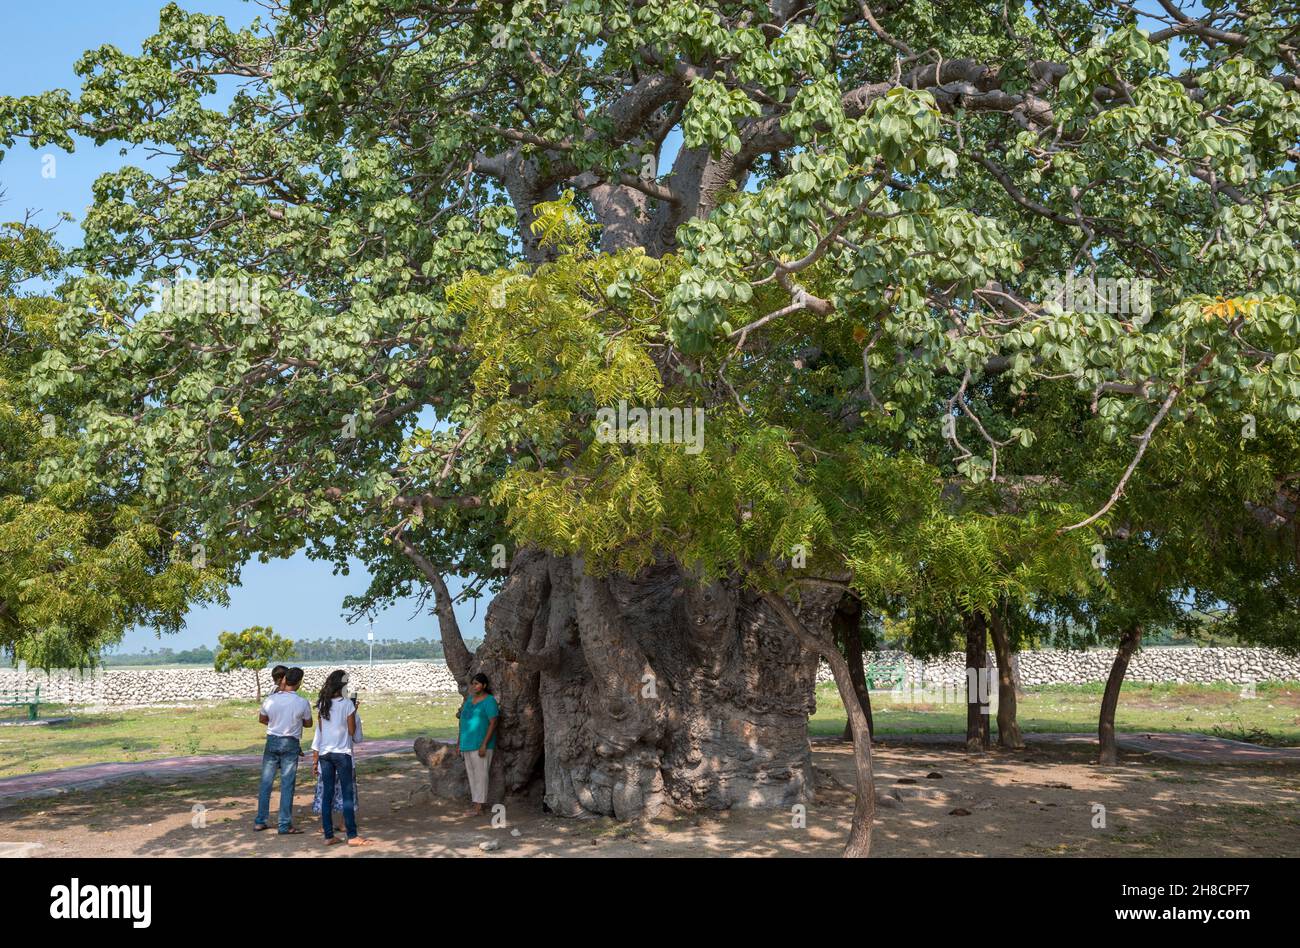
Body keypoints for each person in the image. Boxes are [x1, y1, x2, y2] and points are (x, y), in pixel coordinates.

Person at [311, 670, 372, 847]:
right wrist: (353, 713)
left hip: (325, 754)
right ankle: (352, 835)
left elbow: (321, 731)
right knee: (347, 794)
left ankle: (328, 835)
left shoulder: (323, 703)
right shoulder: (347, 704)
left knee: (327, 795)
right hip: (342, 753)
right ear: (343, 685)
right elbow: (352, 732)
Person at [254, 666, 312, 834]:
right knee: (287, 785)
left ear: (284, 680)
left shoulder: (271, 700)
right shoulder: (301, 702)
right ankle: (284, 824)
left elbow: (262, 719)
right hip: (290, 743)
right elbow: (308, 723)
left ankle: (260, 821)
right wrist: (293, 723)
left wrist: (276, 723)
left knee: (266, 783)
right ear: (299, 683)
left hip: (272, 741)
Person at [458, 673, 499, 816]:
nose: (474, 686)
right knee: (472, 776)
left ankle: (479, 808)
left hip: (481, 745)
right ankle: (475, 805)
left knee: (481, 776)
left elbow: (493, 723)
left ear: (484, 685)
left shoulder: (489, 701)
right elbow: (462, 722)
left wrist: (484, 744)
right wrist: (459, 743)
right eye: (472, 683)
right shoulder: (469, 700)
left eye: (477, 683)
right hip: (466, 744)